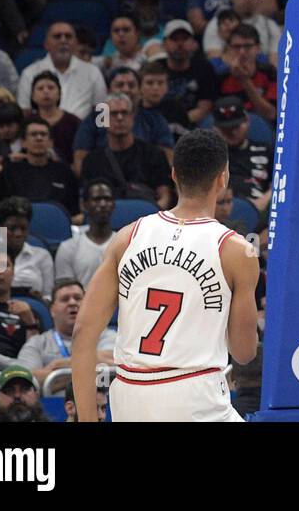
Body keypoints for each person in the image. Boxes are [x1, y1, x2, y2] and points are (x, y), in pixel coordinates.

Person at [70, 131, 259, 421]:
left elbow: (83, 332)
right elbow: (244, 352)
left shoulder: (127, 237)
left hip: (129, 396)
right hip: (195, 396)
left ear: (173, 174)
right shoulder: (236, 251)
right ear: (223, 179)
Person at [79, 92, 175, 208]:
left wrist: (149, 217)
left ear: (132, 117)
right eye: (113, 114)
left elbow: (165, 197)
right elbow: (85, 202)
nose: (119, 118)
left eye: (124, 113)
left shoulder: (154, 154)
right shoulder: (92, 161)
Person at [15, 279, 116, 388]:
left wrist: (57, 367)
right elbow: (26, 380)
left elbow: (114, 363)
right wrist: (91, 368)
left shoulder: (107, 336)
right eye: (65, 299)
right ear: (52, 310)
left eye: (78, 298)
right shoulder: (37, 343)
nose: (72, 303)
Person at [16, 22, 107, 120]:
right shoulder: (30, 73)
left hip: (82, 133)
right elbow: (24, 112)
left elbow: (102, 109)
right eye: (57, 37)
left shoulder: (93, 72)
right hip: (42, 132)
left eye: (68, 36)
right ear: (46, 44)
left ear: (75, 43)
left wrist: (100, 134)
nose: (63, 40)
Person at [0, 115, 77, 215]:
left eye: (43, 134)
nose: (39, 138)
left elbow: (75, 213)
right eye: (33, 134)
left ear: (51, 143)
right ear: (23, 143)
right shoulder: (9, 172)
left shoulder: (65, 172)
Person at [211, 97, 270, 213]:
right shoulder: (208, 155)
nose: (232, 133)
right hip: (217, 213)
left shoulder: (267, 150)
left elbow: (280, 185)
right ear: (215, 128)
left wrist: (254, 208)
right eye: (226, 129)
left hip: (260, 210)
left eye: (236, 127)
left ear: (247, 121)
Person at [55, 179, 116, 287]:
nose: (102, 204)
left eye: (107, 199)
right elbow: (66, 291)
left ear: (114, 205)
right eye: (96, 199)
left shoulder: (125, 245)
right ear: (84, 205)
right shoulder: (68, 248)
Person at [159, 20, 218, 127]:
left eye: (185, 39)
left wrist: (179, 122)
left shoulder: (204, 68)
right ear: (164, 44)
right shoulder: (155, 68)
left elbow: (205, 108)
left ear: (194, 43)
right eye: (174, 39)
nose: (180, 44)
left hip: (194, 124)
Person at [25, 70, 81, 165]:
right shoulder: (27, 122)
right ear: (33, 96)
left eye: (51, 88)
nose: (46, 91)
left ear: (59, 94)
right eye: (40, 88)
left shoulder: (74, 122)